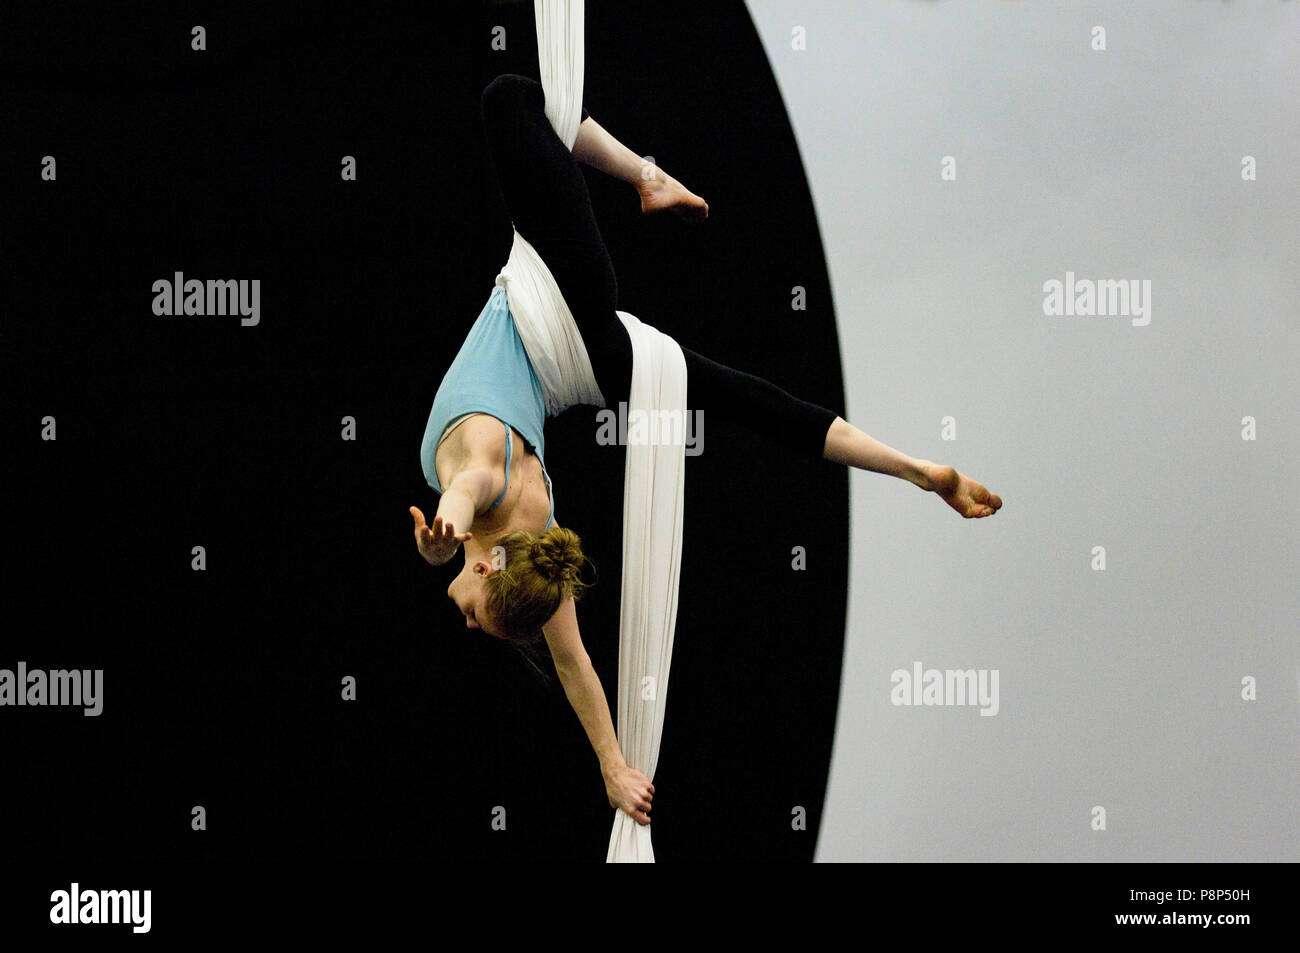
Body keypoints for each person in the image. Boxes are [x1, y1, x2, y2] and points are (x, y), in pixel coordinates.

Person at [409, 74, 1003, 827]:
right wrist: (441, 537)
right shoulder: (483, 488)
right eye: (478, 620)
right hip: (564, 299)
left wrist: (614, 768)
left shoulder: (532, 552)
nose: (465, 623)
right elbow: (467, 494)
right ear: (486, 566)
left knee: (754, 403)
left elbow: (576, 666)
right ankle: (649, 177)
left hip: (598, 366)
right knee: (506, 100)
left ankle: (920, 470)